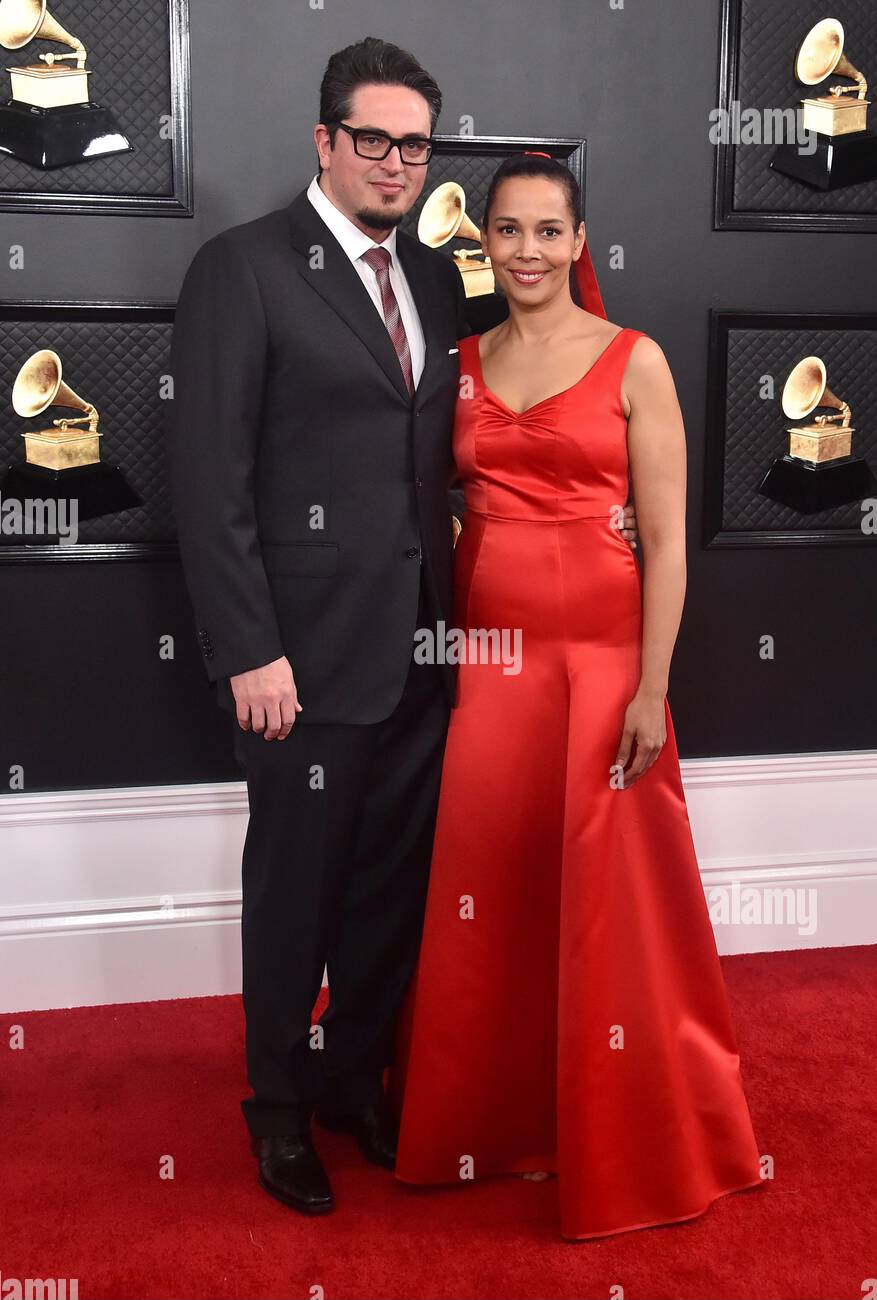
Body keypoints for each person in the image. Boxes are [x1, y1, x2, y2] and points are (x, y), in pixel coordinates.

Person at [166, 40, 637, 1215]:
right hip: (301, 664)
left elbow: (502, 413)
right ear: (324, 142)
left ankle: (348, 1082)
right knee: (296, 900)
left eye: (412, 143)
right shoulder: (245, 268)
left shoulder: (435, 277)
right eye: (370, 138)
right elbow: (207, 481)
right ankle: (276, 1116)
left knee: (391, 899)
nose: (391, 160)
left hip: (429, 658)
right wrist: (247, 651)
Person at [390, 154, 766, 1240]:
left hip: (603, 665)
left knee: (613, 904)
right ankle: (489, 1123)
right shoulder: (455, 363)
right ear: (485, 242)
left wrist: (652, 684)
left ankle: (631, 1131)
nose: (525, 251)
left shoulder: (634, 360)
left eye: (548, 231)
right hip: (490, 666)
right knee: (486, 886)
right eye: (506, 230)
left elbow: (667, 543)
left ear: (579, 239)